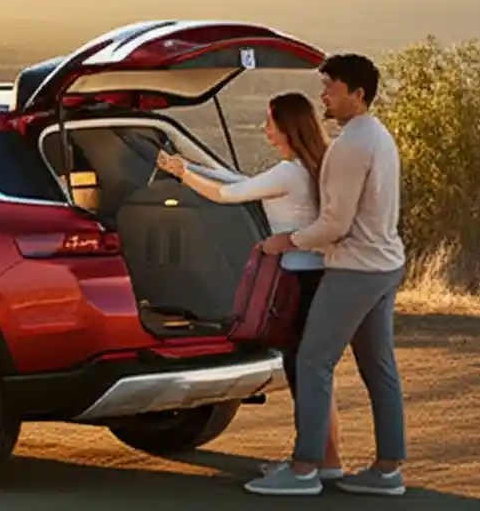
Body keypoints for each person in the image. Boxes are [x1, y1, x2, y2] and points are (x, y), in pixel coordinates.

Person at [243, 53, 408, 497]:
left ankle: (303, 470)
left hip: (354, 269)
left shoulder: (351, 144)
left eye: (331, 89)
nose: (324, 98)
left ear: (357, 94)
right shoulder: (378, 135)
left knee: (313, 361)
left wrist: (287, 241)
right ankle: (388, 469)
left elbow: (335, 224)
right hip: (385, 265)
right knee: (379, 367)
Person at [156, 91, 343, 479]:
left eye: (270, 124)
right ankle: (327, 460)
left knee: (302, 370)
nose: (265, 131)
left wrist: (184, 175)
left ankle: (306, 465)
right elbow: (244, 181)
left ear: (288, 129)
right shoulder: (312, 166)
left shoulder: (288, 173)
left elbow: (228, 194)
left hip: (298, 279)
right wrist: (190, 164)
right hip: (322, 275)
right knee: (317, 373)